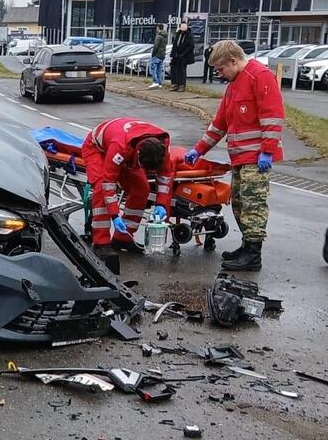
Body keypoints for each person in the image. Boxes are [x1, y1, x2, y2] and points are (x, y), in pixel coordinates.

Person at [184, 39, 285, 272]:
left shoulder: (260, 76)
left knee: (253, 204)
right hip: (240, 158)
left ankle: (253, 254)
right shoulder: (234, 85)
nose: (219, 74)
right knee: (239, 203)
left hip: (256, 158)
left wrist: (267, 151)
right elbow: (220, 124)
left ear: (233, 60)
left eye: (221, 69)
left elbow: (272, 116)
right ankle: (246, 246)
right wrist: (199, 149)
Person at [82, 118, 175, 257]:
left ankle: (123, 238)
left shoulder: (162, 148)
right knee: (101, 189)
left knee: (142, 188)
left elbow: (165, 177)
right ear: (138, 154)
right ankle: (100, 243)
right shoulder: (119, 147)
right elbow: (109, 184)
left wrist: (161, 203)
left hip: (127, 152)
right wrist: (114, 215)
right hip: (96, 148)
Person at [169, 22, 194, 91]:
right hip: (176, 56)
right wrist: (172, 55)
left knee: (182, 71)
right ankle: (175, 84)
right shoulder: (178, 34)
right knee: (174, 70)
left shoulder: (189, 35)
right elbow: (174, 45)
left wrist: (183, 54)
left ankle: (182, 85)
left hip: (184, 56)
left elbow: (191, 46)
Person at [148, 24, 167, 89]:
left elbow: (156, 46)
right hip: (162, 54)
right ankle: (160, 83)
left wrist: (153, 54)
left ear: (158, 28)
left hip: (157, 54)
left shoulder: (158, 36)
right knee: (159, 69)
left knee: (152, 68)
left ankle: (155, 82)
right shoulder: (165, 36)